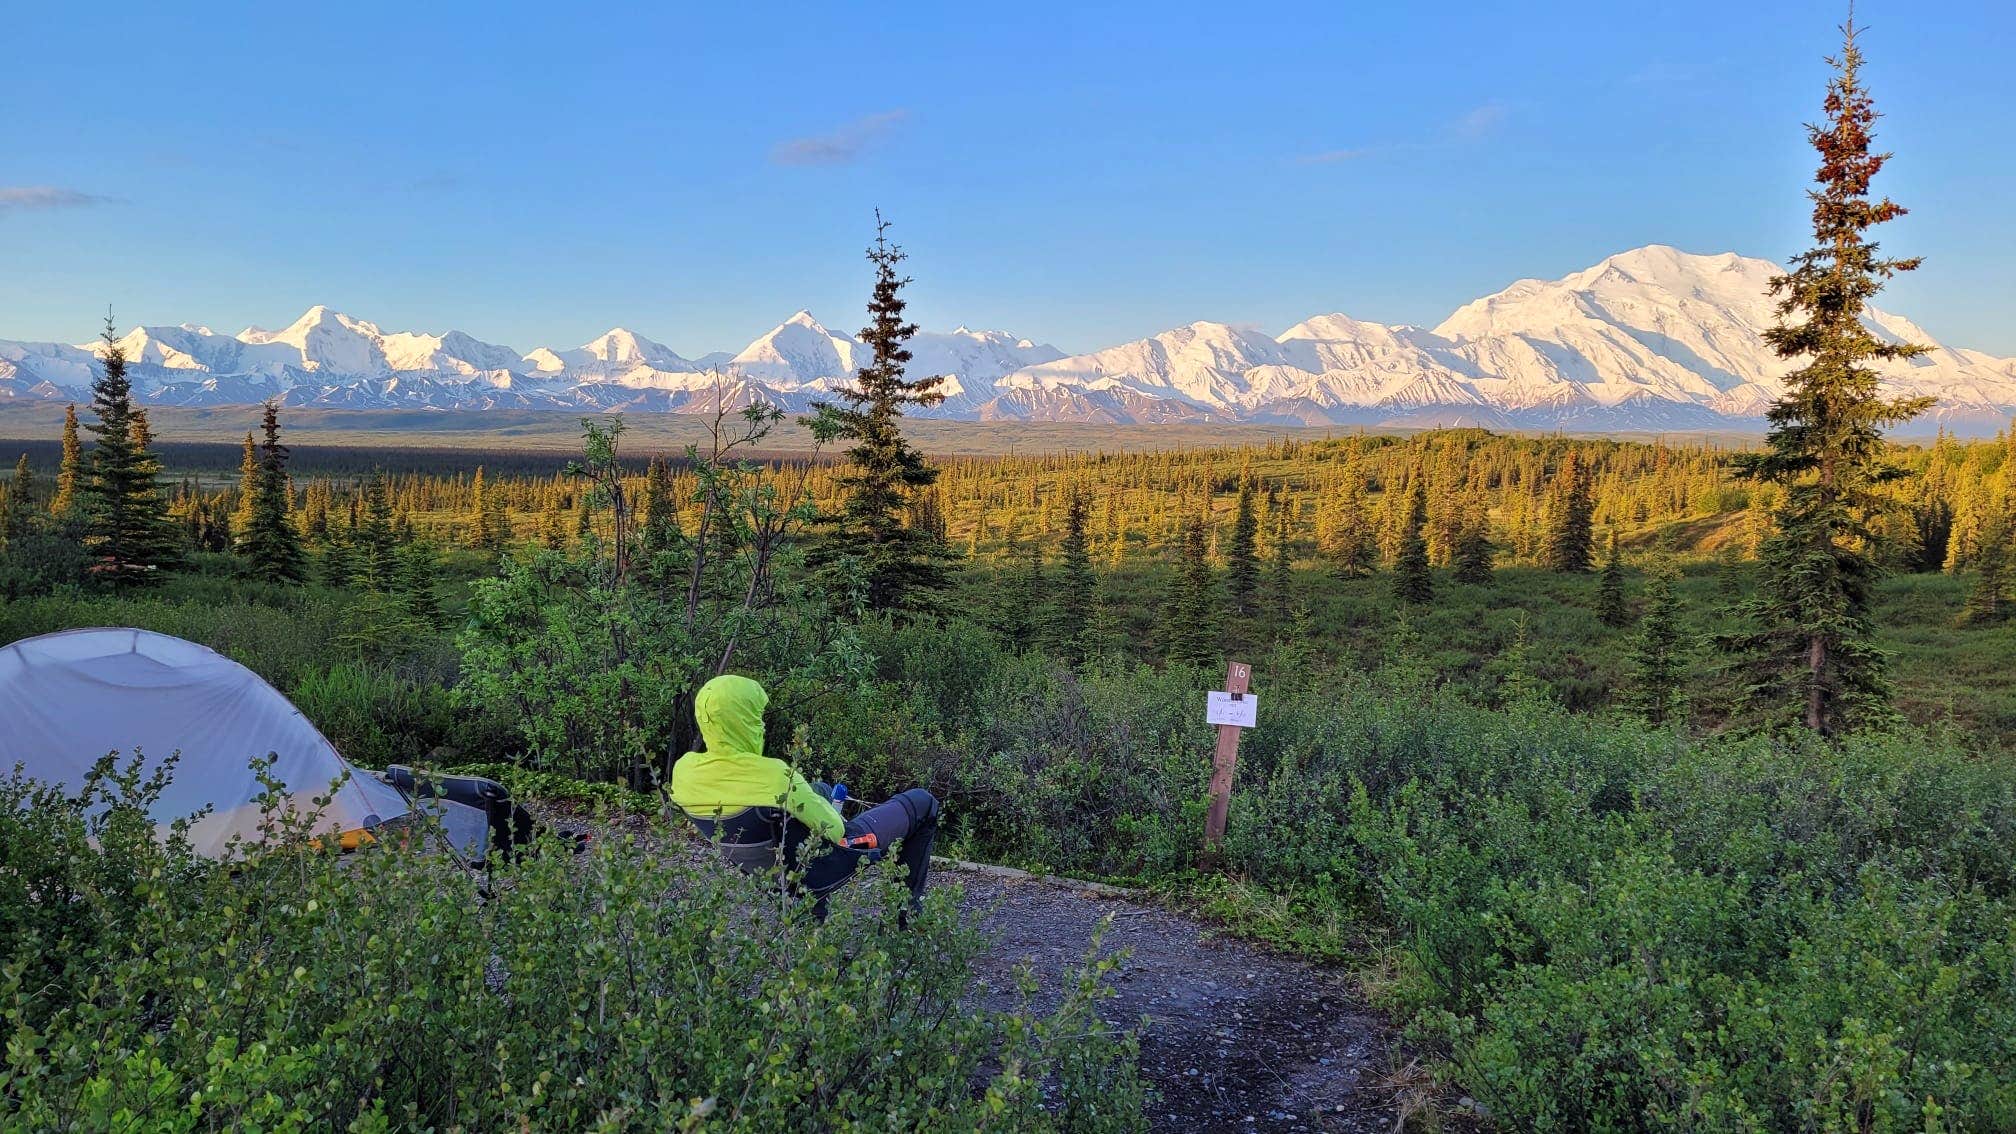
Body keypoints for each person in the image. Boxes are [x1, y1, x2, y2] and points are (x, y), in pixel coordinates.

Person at [669, 673, 940, 914]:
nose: (762, 726)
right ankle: (905, 915)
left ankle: (810, 915)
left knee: (819, 789)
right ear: (742, 721)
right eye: (755, 718)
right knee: (922, 804)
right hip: (821, 866)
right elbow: (836, 831)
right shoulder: (775, 777)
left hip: (765, 872)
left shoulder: (684, 772)